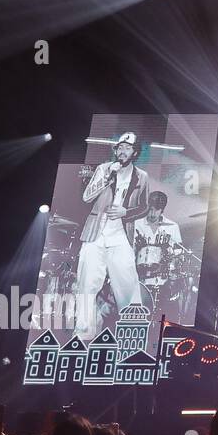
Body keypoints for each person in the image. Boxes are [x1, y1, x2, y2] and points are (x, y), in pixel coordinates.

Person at [75, 132, 149, 336]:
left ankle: (131, 331)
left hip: (121, 235)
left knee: (128, 284)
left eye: (127, 148)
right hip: (95, 232)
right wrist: (107, 178)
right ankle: (83, 332)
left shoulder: (142, 176)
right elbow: (87, 197)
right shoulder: (104, 168)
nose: (122, 151)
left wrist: (126, 213)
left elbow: (144, 207)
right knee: (86, 283)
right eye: (120, 148)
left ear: (135, 152)